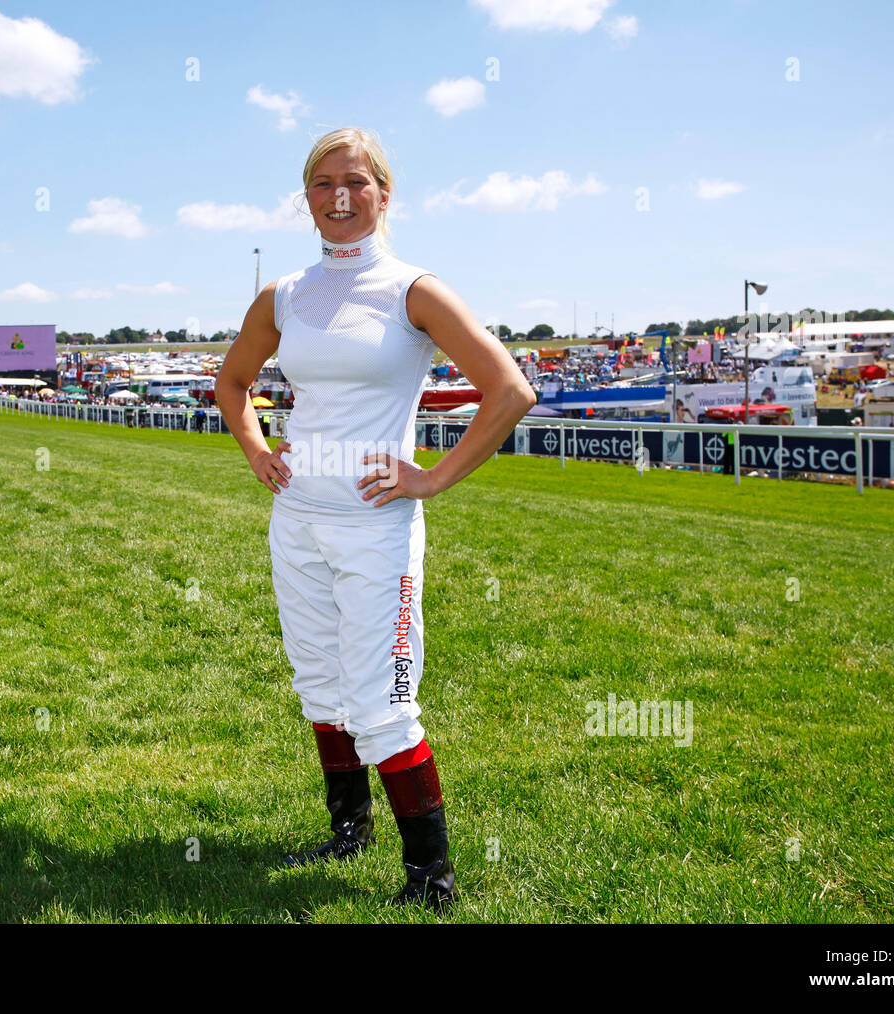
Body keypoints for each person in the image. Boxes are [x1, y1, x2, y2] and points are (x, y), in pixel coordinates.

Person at [215, 127, 534, 911]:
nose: (340, 197)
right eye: (323, 185)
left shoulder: (413, 290)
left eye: (355, 181)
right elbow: (232, 383)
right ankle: (347, 831)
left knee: (383, 705)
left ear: (384, 193)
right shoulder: (285, 294)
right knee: (319, 689)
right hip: (298, 521)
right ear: (307, 198)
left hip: (375, 526)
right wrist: (258, 449)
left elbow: (511, 391)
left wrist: (432, 478)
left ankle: (433, 877)